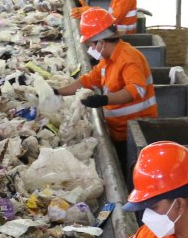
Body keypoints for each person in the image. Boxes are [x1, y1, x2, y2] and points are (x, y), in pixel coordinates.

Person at [55, 9, 157, 162]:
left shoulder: (129, 58)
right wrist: (57, 92)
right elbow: (87, 80)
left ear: (101, 42)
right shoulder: (107, 60)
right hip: (118, 130)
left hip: (135, 133)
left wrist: (104, 100)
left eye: (91, 44)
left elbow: (136, 90)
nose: (91, 49)